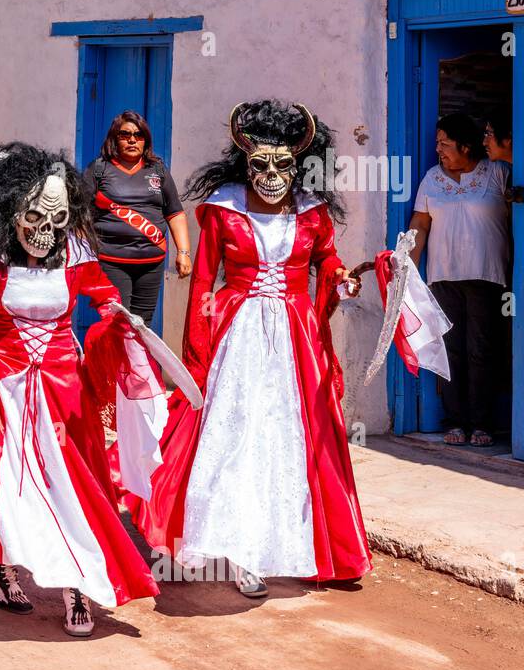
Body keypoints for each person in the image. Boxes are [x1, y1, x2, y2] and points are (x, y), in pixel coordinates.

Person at [133, 100, 371, 599]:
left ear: (297, 167)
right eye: (259, 163)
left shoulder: (313, 213)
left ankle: (300, 546)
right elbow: (202, 284)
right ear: (245, 164)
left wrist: (344, 280)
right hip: (235, 338)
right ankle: (242, 551)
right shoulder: (223, 209)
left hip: (296, 341)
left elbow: (325, 265)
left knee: (289, 440)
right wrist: (195, 355)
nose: (270, 174)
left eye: (281, 165)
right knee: (238, 437)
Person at [0, 143, 162, 636]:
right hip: (4, 388)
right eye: (34, 216)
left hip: (64, 390)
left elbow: (104, 297)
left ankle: (77, 586)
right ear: (11, 210)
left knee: (74, 489)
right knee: (6, 484)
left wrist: (120, 321)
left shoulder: (76, 252)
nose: (45, 231)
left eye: (57, 221)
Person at [409, 112, 511, 447]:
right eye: (438, 143)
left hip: (487, 276)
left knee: (482, 349)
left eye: (444, 143)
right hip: (444, 278)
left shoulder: (497, 174)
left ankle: (482, 423)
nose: (438, 149)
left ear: (466, 146)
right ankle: (454, 421)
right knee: (451, 349)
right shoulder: (431, 179)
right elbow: (420, 225)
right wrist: (407, 265)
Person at [83, 110, 191, 321]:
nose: (132, 140)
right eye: (125, 135)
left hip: (152, 263)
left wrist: (183, 252)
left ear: (145, 140)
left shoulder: (158, 170)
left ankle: (138, 356)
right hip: (112, 261)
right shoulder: (98, 170)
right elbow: (80, 214)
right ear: (115, 138)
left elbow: (175, 212)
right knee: (118, 322)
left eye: (138, 135)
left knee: (143, 324)